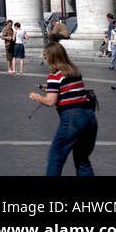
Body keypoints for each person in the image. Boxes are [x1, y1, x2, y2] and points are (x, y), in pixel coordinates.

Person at [31, 41, 96, 176]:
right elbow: (70, 89)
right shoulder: (74, 71)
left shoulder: (54, 76)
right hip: (89, 117)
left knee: (56, 157)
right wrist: (50, 88)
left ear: (52, 57)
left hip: (73, 119)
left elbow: (50, 101)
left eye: (45, 56)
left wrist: (37, 96)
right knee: (82, 159)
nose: (45, 59)